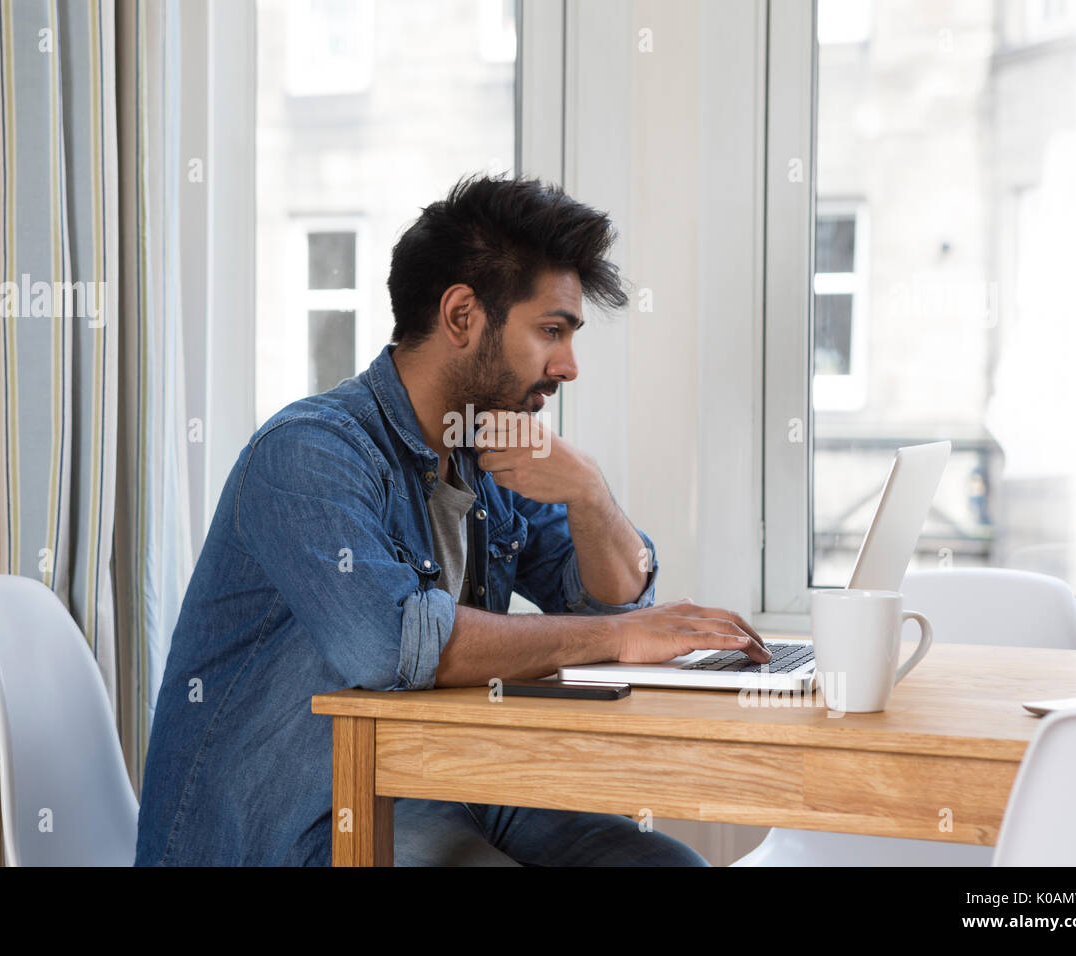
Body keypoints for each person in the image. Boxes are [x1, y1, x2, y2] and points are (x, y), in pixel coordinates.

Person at [135, 173, 771, 866]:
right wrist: (618, 636)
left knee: (665, 864)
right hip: (306, 814)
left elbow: (606, 598)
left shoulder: (485, 448)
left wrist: (590, 495)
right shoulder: (307, 454)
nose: (569, 365)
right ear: (462, 316)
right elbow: (391, 644)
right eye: (551, 331)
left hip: (448, 777)